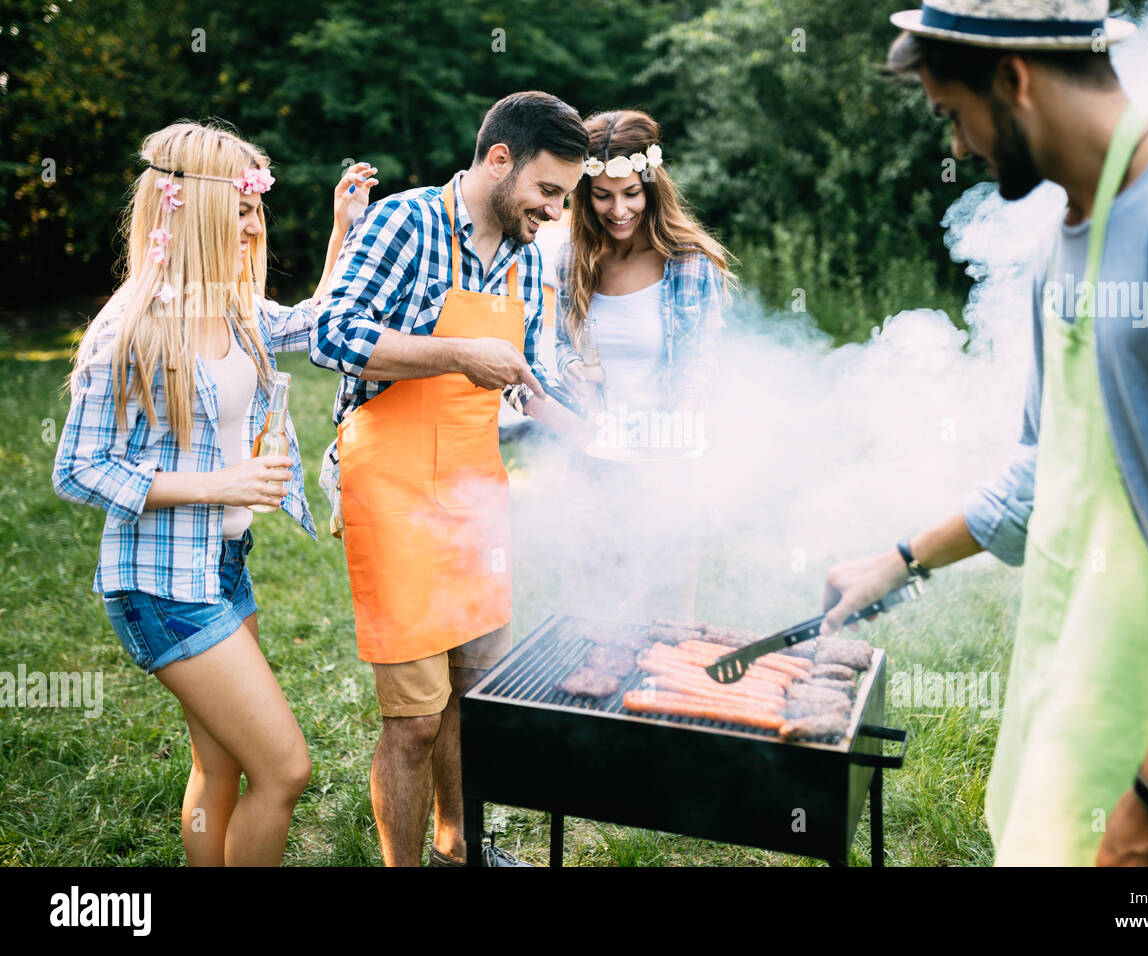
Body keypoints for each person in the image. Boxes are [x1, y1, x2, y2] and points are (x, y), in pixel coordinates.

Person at [820, 0, 1148, 866]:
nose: (957, 146)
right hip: (1064, 675)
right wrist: (899, 559)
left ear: (1014, 78)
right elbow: (1047, 466)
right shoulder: (1065, 244)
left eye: (950, 115)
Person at [52, 120, 377, 865]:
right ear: (191, 210)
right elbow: (79, 467)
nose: (255, 223)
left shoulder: (231, 306)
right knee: (285, 768)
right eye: (240, 208)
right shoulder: (132, 328)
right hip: (159, 585)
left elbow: (310, 321)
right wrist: (218, 484)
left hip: (220, 569)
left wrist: (342, 236)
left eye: (257, 207)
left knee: (222, 760)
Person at [311, 90, 589, 867]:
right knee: (415, 719)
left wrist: (603, 441)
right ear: (500, 159)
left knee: (474, 692)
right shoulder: (406, 222)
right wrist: (459, 354)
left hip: (474, 488)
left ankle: (457, 849)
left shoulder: (527, 257)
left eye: (562, 198)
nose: (552, 211)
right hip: (393, 484)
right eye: (547, 191)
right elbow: (332, 334)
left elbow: (528, 378)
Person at [554, 109, 736, 622]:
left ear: (651, 186)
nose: (618, 209)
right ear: (585, 195)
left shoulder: (687, 261)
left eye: (631, 192)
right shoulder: (573, 261)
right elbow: (560, 343)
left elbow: (703, 360)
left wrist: (678, 417)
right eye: (603, 195)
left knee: (666, 609)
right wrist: (570, 367)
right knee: (605, 612)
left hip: (668, 452)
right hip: (596, 451)